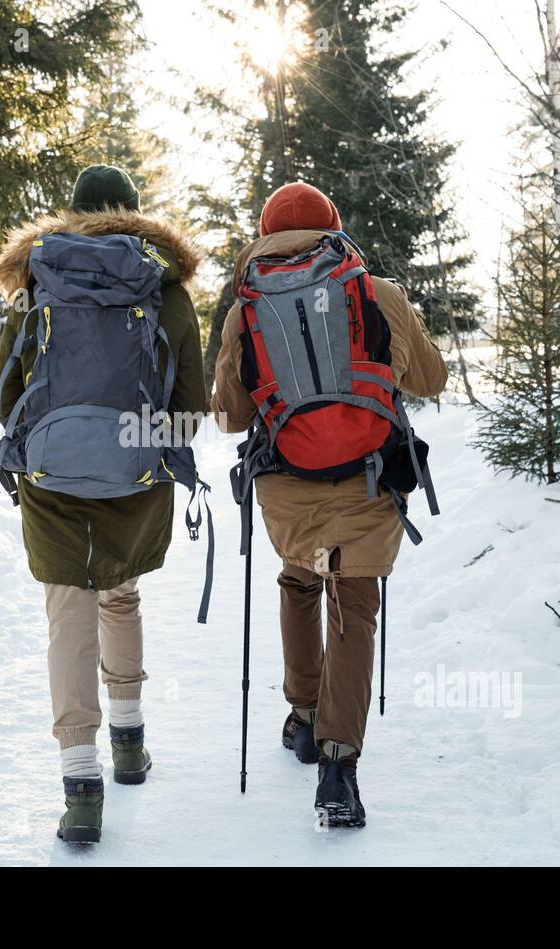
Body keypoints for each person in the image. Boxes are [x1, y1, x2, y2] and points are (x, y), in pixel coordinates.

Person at [211, 182, 447, 827]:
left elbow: (230, 416)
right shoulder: (378, 293)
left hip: (287, 487)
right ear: (334, 229)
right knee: (355, 604)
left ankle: (305, 715)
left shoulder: (246, 309)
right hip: (368, 477)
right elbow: (430, 378)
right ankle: (338, 770)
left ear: (266, 234)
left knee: (302, 576)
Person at [0, 165, 207, 844]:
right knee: (119, 596)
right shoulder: (163, 285)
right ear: (134, 214)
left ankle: (80, 787)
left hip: (53, 476)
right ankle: (129, 744)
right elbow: (191, 409)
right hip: (133, 473)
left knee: (67, 612)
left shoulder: (37, 277)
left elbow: (5, 392)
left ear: (72, 212)